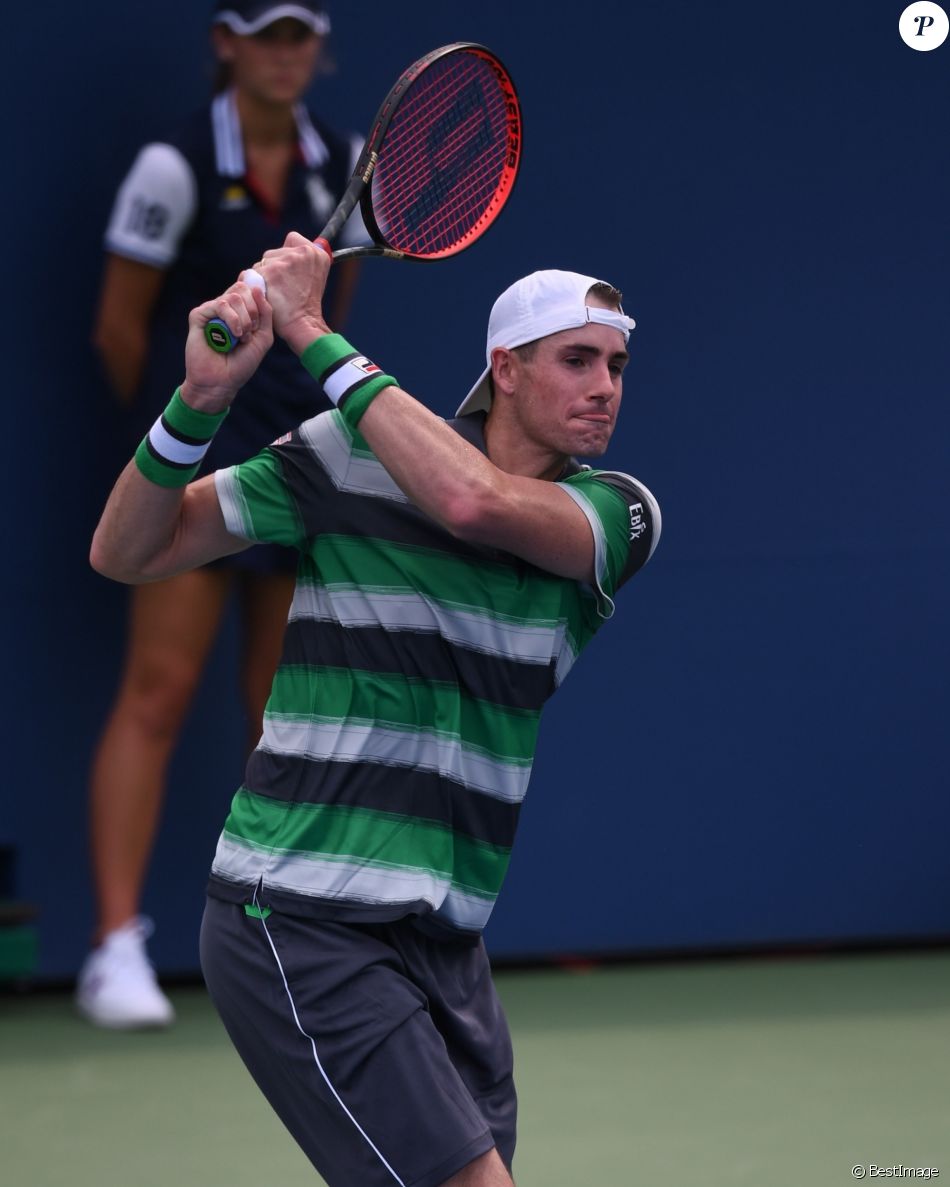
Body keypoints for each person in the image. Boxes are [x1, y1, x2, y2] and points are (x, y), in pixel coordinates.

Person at [90, 233, 661, 1186]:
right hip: (301, 912)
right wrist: (198, 402)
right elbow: (129, 551)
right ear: (505, 370)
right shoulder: (340, 456)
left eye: (616, 365)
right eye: (577, 359)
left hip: (444, 941)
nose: (605, 385)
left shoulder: (617, 513)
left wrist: (309, 330)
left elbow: (471, 500)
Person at [77, 0, 368, 1028]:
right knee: (156, 691)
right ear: (225, 43)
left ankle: (288, 936)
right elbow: (121, 328)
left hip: (298, 457)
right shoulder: (172, 167)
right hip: (193, 449)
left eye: (301, 36)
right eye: (265, 34)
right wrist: (172, 445)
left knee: (279, 713)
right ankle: (115, 947)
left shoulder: (345, 164)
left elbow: (334, 318)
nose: (286, 55)